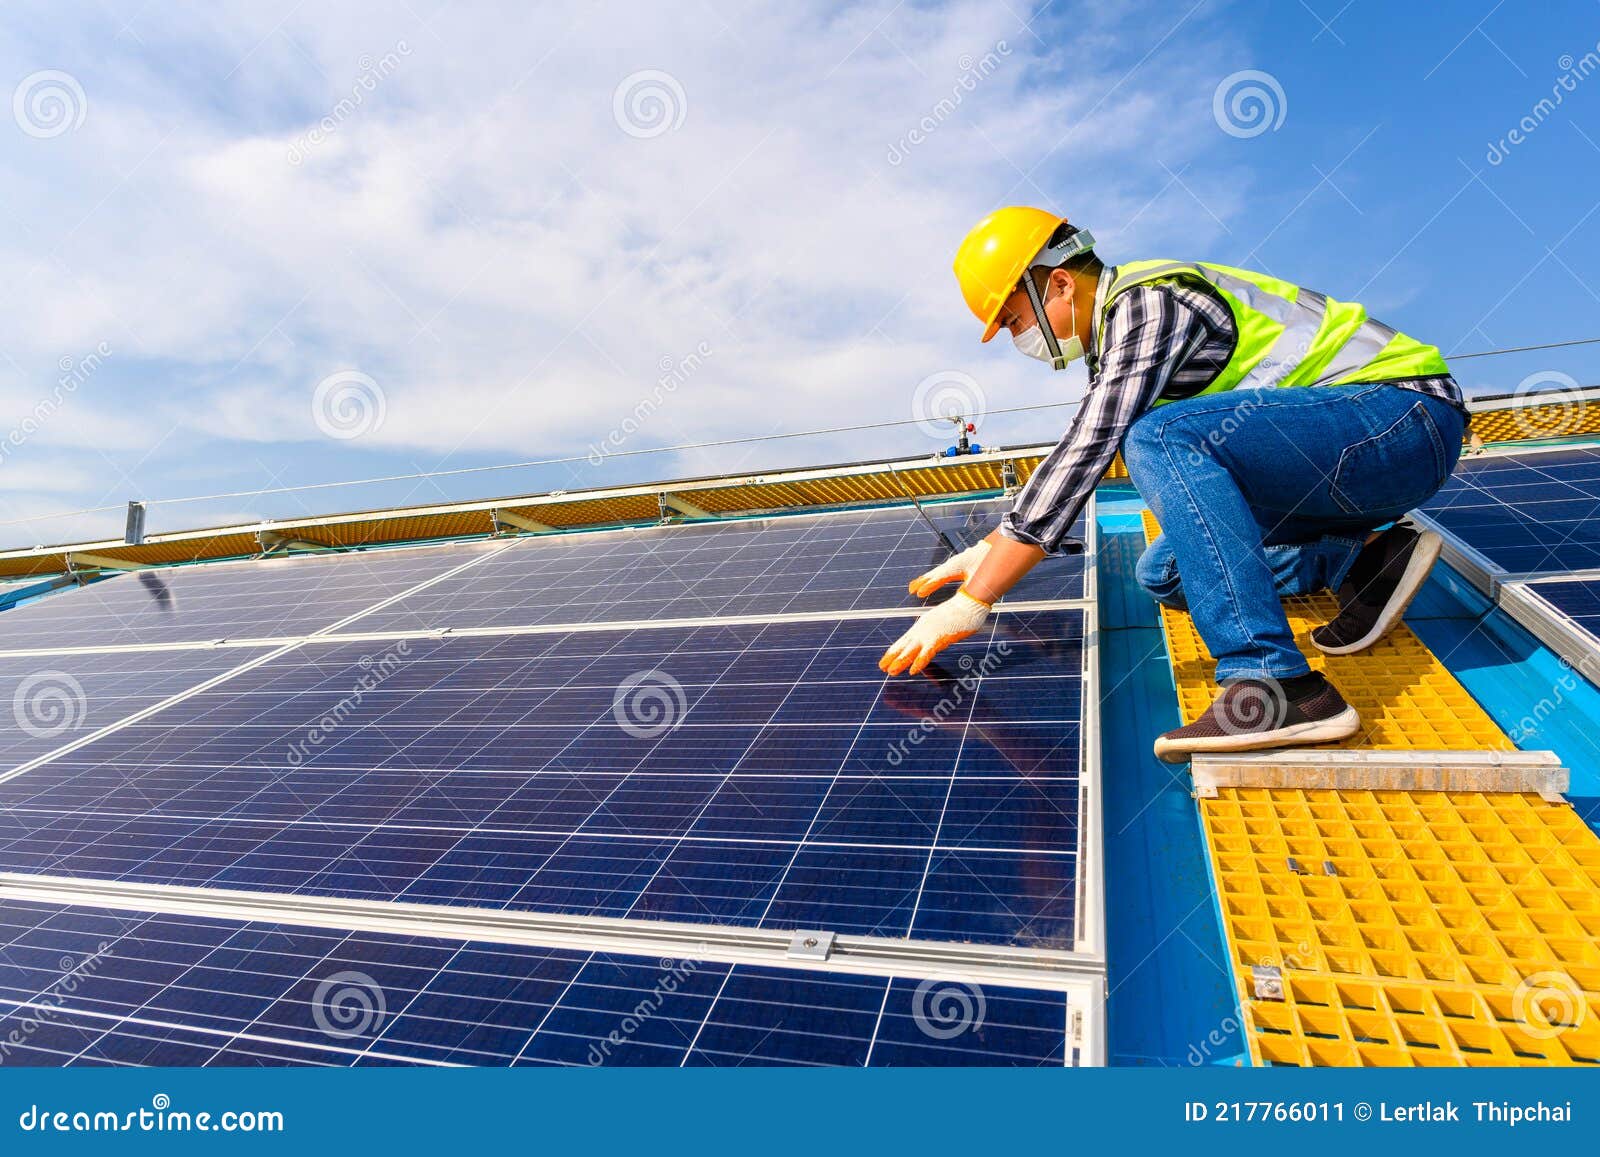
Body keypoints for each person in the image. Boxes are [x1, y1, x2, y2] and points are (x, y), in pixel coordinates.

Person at [878, 206, 1467, 763]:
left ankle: (1274, 683)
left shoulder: (1149, 305)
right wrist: (986, 551)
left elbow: (1092, 444)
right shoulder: (1117, 338)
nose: (1017, 338)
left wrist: (974, 600)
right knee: (1166, 573)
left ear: (1057, 284)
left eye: (1014, 320)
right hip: (1339, 463)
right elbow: (1082, 446)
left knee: (1157, 438)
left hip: (1400, 420)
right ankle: (1361, 561)